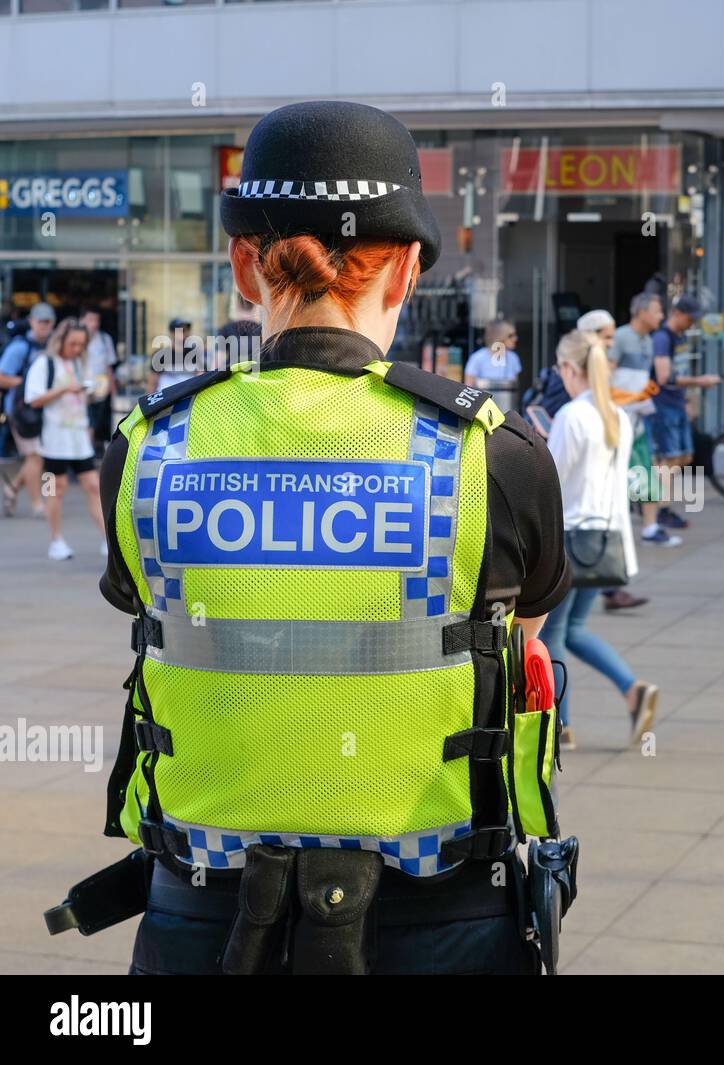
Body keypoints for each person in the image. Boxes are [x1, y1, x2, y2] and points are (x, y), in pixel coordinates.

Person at [50, 101, 572, 976]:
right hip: (442, 921)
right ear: (406, 271)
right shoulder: (495, 451)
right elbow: (514, 656)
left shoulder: (148, 445)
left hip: (200, 918)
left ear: (242, 265)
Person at [541, 329, 658, 751]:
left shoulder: (573, 416)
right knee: (572, 629)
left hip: (571, 539)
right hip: (605, 544)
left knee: (550, 637)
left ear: (570, 368)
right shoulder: (617, 416)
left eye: (560, 368)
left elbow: (550, 482)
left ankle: (562, 728)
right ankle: (632, 689)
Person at [576, 309, 649, 612]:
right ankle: (610, 588)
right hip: (577, 523)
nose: (610, 345)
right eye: (606, 338)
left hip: (588, 525)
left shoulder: (601, 403)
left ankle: (610, 587)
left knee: (567, 630)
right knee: (566, 632)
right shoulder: (576, 407)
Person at [23, 318, 106, 560]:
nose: (77, 349)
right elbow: (33, 398)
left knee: (93, 486)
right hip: (52, 441)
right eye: (73, 344)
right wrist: (65, 389)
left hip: (78, 439)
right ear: (61, 340)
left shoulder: (80, 364)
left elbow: (86, 394)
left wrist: (90, 390)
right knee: (53, 489)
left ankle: (106, 540)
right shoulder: (44, 363)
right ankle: (56, 540)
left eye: (81, 344)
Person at [612, 292, 680, 547]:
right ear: (641, 312)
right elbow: (605, 377)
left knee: (644, 468)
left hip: (638, 416)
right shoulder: (620, 337)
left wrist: (642, 394)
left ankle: (649, 527)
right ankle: (635, 526)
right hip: (619, 418)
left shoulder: (649, 341)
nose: (661, 316)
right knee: (627, 470)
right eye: (657, 311)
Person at [648, 293, 721, 531]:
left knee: (683, 457)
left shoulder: (679, 337)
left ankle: (657, 503)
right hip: (662, 404)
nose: (693, 323)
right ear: (677, 314)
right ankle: (661, 509)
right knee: (670, 457)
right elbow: (663, 377)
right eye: (690, 318)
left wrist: (686, 400)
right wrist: (700, 382)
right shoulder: (662, 338)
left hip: (676, 404)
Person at [0, 301, 57, 517]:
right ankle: (37, 504)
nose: (44, 325)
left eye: (48, 321)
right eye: (40, 321)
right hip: (21, 411)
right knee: (36, 458)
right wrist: (28, 384)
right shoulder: (19, 347)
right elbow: (2, 376)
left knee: (39, 457)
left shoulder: (52, 347)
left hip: (44, 408)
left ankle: (12, 488)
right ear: (31, 322)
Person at [81, 309, 118, 457]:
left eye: (97, 320)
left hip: (100, 388)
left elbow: (109, 366)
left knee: (94, 423)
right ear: (82, 319)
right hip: (78, 388)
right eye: (90, 320)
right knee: (85, 422)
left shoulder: (104, 339)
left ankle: (87, 454)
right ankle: (85, 455)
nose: (94, 324)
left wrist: (113, 389)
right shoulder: (76, 337)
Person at [463, 318, 522, 388]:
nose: (515, 338)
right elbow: (468, 387)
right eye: (510, 336)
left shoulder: (513, 358)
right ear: (499, 336)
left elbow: (514, 387)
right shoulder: (477, 358)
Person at [146, 317, 199, 394]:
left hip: (188, 399)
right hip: (167, 401)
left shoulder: (194, 355)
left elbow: (200, 378)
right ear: (172, 333)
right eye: (182, 331)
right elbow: (152, 384)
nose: (186, 334)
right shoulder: (160, 356)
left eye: (187, 331)